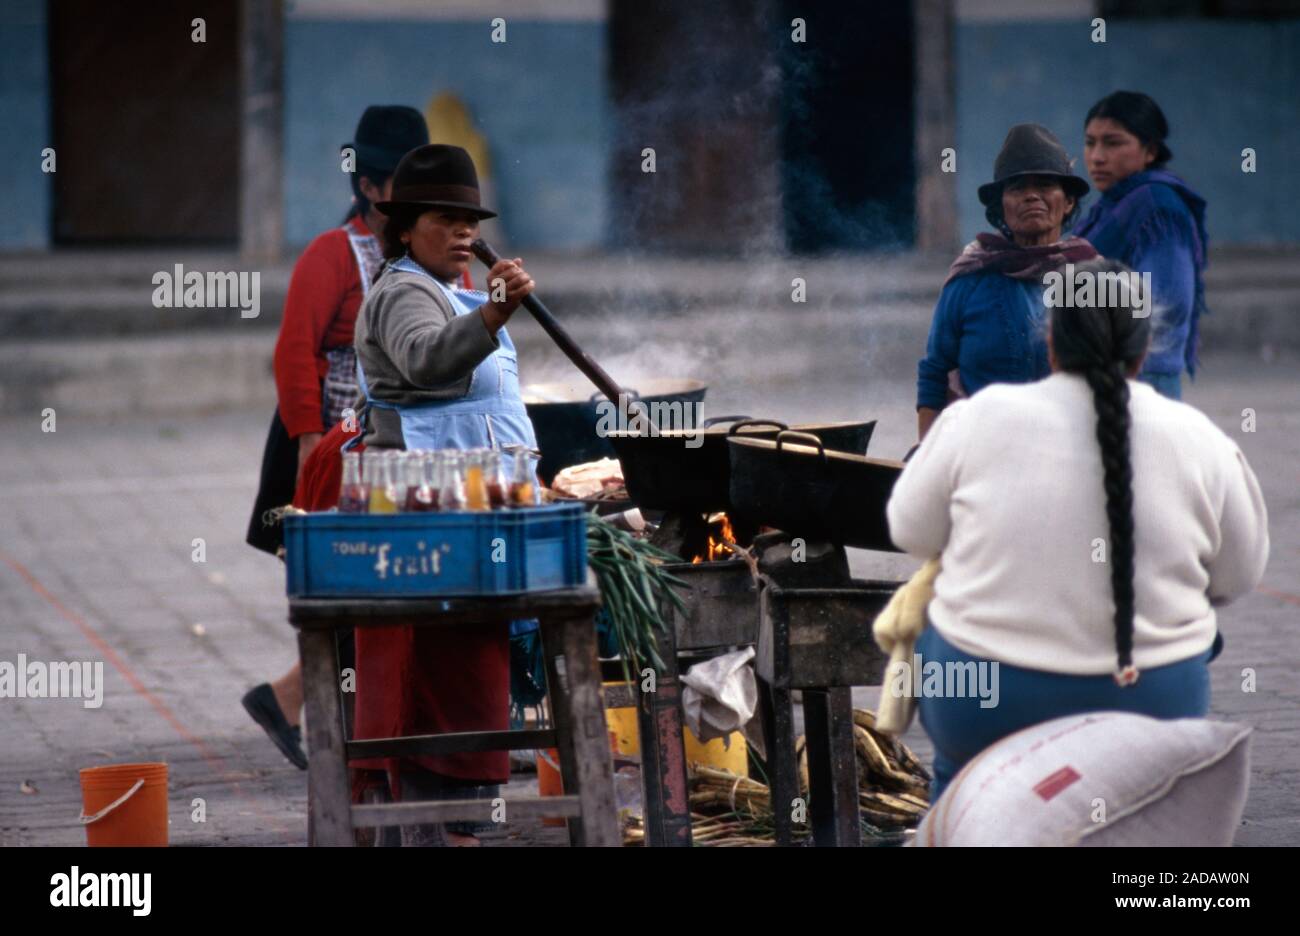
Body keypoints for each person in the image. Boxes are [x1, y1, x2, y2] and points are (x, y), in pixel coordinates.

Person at [887, 258, 1270, 801]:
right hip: (1155, 703)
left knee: (956, 769)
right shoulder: (1202, 439)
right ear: (1142, 353)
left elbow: (908, 531)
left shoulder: (976, 418)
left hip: (989, 700)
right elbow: (1238, 575)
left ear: (1051, 345)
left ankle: (961, 809)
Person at [351, 143, 538, 846]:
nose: (463, 232)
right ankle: (432, 815)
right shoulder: (402, 292)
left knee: (467, 674)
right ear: (403, 228)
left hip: (478, 510)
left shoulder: (450, 289)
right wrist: (492, 315)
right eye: (444, 218)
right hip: (425, 516)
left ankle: (457, 809)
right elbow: (428, 360)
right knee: (435, 682)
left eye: (469, 220)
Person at [241, 106, 431, 770]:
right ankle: (314, 712)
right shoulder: (332, 254)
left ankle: (303, 707)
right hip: (324, 449)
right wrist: (309, 451)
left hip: (398, 452)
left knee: (381, 589)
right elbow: (294, 353)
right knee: (350, 592)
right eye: (404, 184)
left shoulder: (432, 256)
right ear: (373, 189)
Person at [916, 124, 1096, 440]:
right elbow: (935, 373)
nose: (1031, 195)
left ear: (1067, 202)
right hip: (983, 452)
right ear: (1001, 206)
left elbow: (1127, 366)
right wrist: (927, 454)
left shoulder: (1093, 277)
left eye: (1044, 184)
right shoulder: (970, 277)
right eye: (1016, 187)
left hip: (1069, 451)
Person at [1074, 90, 1209, 400]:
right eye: (1090, 142)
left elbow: (1166, 304)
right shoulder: (1112, 205)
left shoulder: (1158, 209)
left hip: (1143, 376)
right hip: (1100, 372)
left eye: (1113, 142)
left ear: (1149, 150)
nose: (1097, 156)